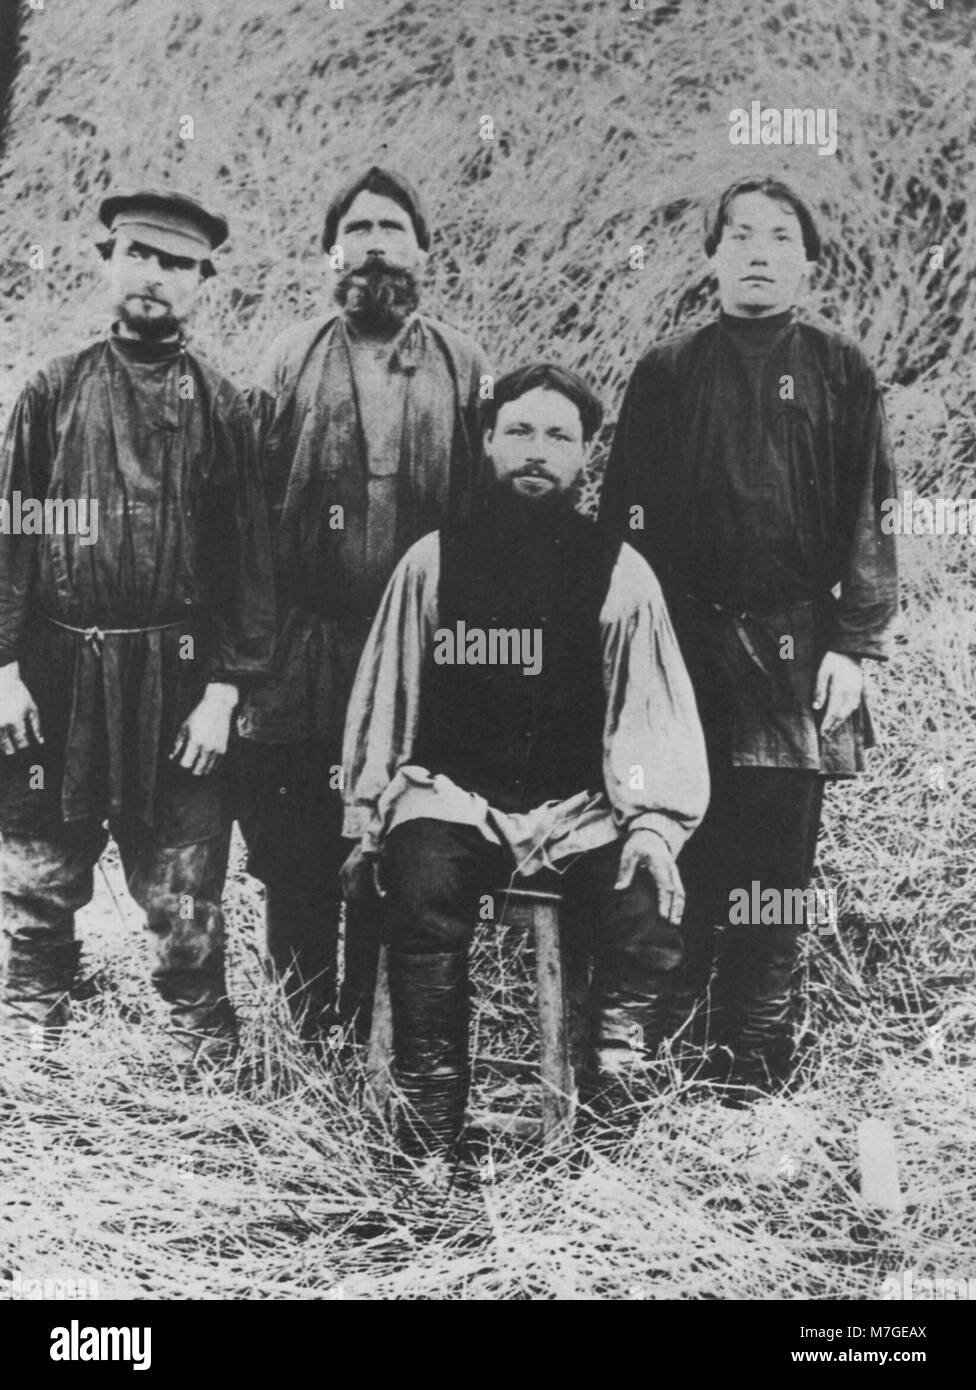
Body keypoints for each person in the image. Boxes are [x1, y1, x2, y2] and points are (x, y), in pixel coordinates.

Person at [341, 362, 709, 1157]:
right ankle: (430, 1127)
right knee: (420, 883)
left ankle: (613, 1109)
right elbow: (390, 696)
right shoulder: (434, 560)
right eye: (519, 431)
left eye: (558, 436)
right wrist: (370, 813)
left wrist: (648, 821)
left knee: (641, 893)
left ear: (585, 456)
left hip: (573, 807)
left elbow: (642, 711)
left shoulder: (620, 569)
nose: (537, 451)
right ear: (487, 441)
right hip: (455, 796)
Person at [599, 175, 898, 1098]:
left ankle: (756, 1061)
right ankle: (671, 1042)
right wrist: (629, 652)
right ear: (713, 256)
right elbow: (624, 527)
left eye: (778, 237)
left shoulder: (840, 366)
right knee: (679, 841)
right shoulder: (667, 370)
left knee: (776, 866)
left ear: (805, 262)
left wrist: (853, 644)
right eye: (739, 235)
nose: (758, 251)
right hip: (681, 650)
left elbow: (872, 510)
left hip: (796, 654)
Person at [0, 189, 275, 1062]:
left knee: (187, 884)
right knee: (38, 868)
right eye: (140, 255)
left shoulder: (225, 409)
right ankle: (30, 1029)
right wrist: (2, 669)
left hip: (180, 677)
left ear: (205, 280)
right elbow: (13, 532)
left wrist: (224, 689)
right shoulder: (51, 393)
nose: (155, 276)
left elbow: (248, 563)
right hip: (56, 668)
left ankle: (203, 1047)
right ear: (107, 260)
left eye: (178, 263)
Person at [235, 166, 492, 1042]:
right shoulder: (285, 358)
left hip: (421, 653)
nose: (375, 242)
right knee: (298, 846)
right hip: (302, 647)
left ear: (423, 251)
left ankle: (376, 1030)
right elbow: (243, 510)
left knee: (398, 839)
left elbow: (490, 516)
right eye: (359, 228)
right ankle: (303, 1031)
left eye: (393, 227)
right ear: (329, 250)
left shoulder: (465, 364)